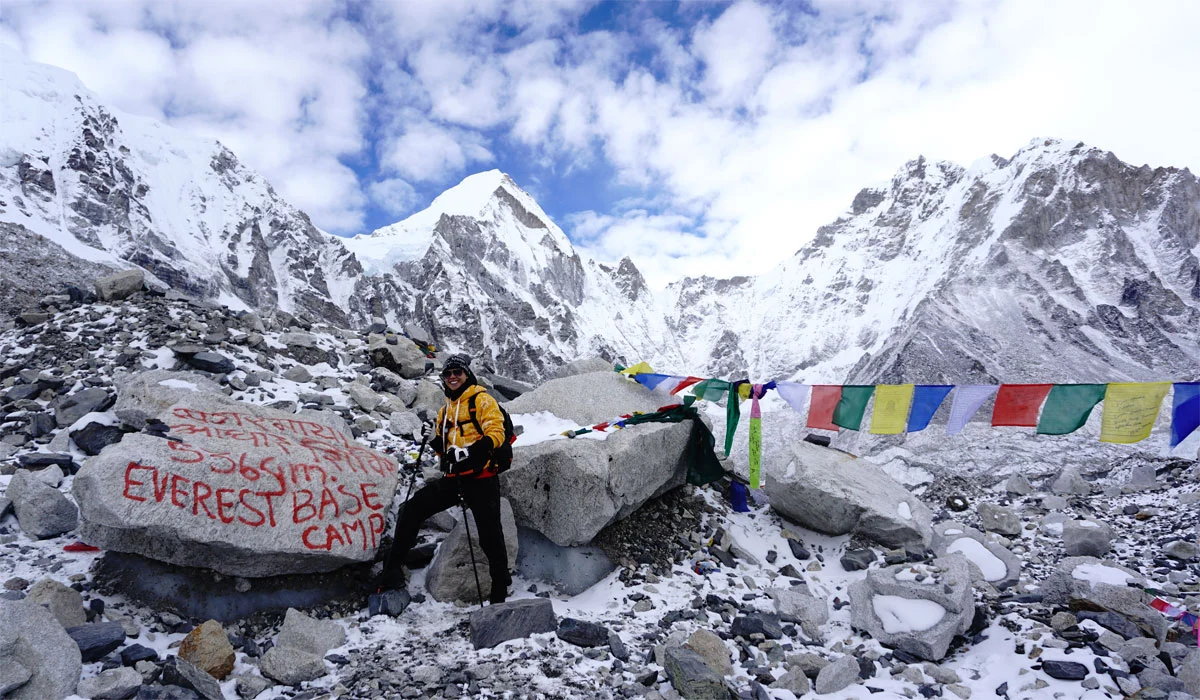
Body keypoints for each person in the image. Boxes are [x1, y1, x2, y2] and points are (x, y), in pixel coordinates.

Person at [376, 353, 512, 604]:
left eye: (457, 373)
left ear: (466, 375)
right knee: (412, 509)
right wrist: (432, 439)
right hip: (454, 478)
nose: (451, 377)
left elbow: (496, 434)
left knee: (490, 535)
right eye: (447, 374)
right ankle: (391, 571)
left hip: (482, 477)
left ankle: (500, 587)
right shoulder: (445, 410)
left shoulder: (482, 401)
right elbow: (444, 451)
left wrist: (470, 451)